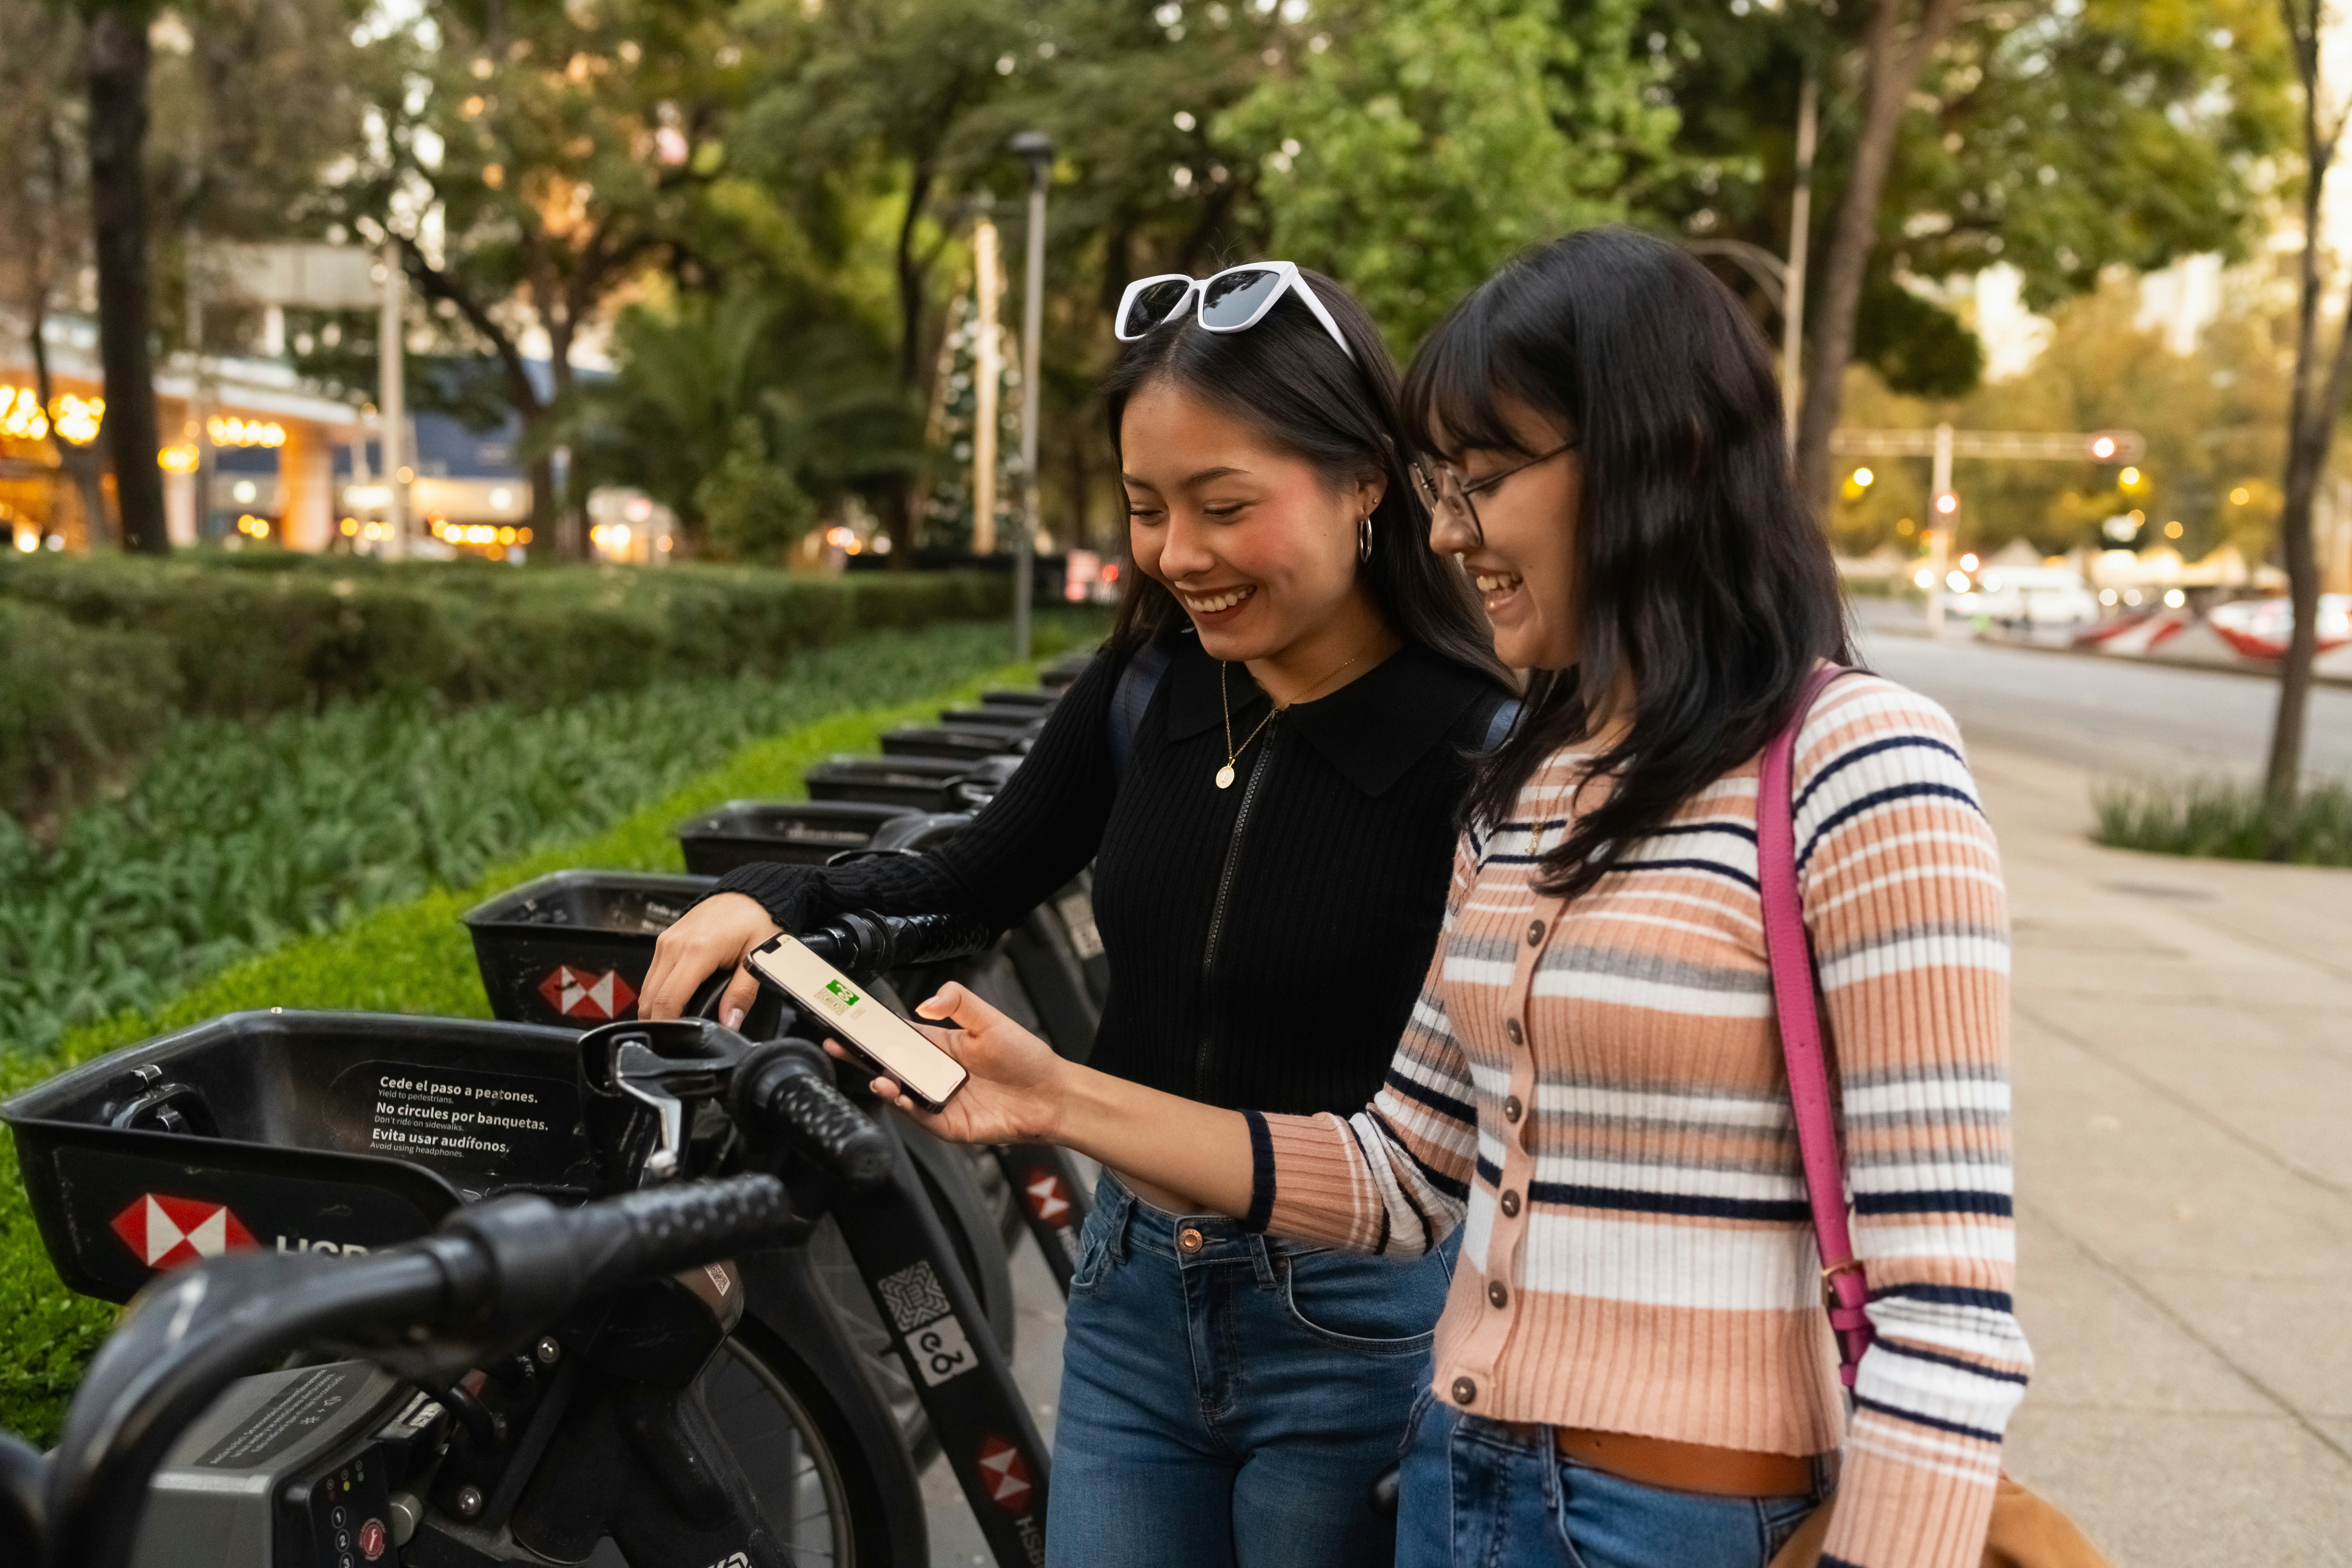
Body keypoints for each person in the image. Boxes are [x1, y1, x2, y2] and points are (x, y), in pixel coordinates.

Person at [851, 229, 2032, 1568]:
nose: (1448, 527)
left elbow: (1947, 1312)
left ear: (1669, 449)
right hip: (1460, 1491)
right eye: (1439, 483)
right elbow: (1400, 1173)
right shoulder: (1526, 787)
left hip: (1682, 1523)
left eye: (1480, 479)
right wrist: (1056, 1097)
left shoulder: (1860, 762)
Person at [639, 263, 1516, 1568]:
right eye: (1147, 509)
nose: (1178, 556)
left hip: (1358, 1325)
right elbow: (973, 871)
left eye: (1225, 506)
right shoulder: (1149, 686)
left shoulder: (1484, 752)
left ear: (1368, 479)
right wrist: (770, 907)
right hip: (1133, 1288)